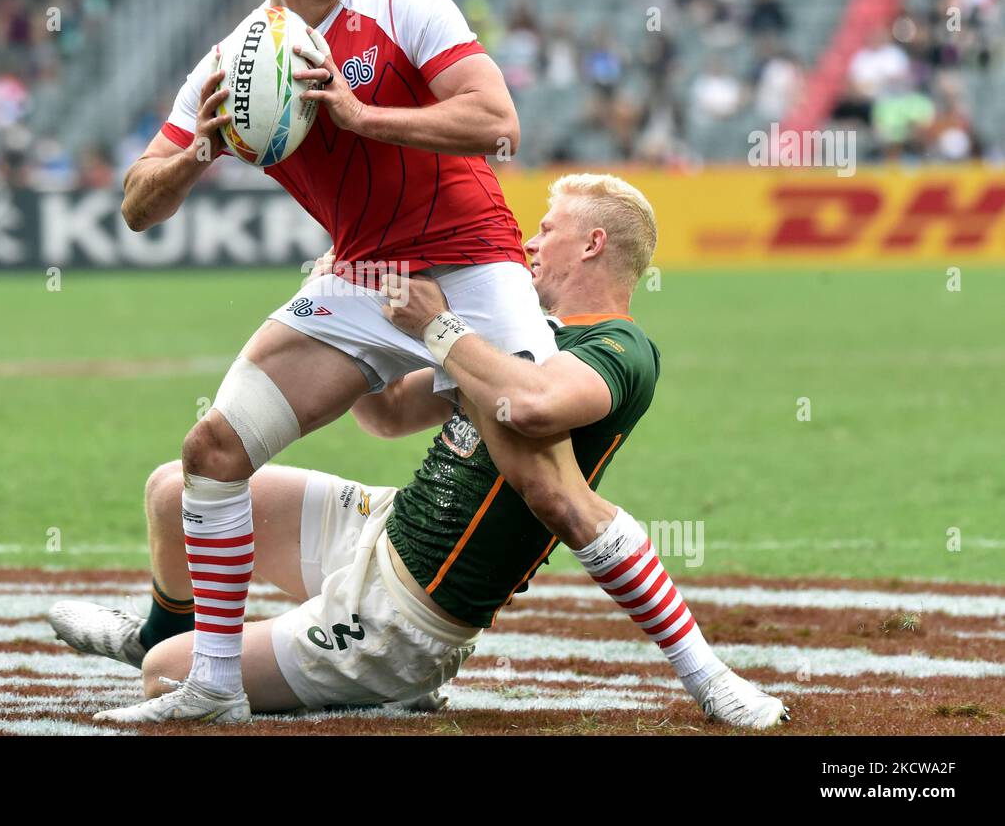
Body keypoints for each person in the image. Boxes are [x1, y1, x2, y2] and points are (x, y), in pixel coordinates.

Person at [52, 174, 788, 730]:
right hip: (386, 524)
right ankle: (164, 624)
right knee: (174, 489)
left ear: (593, 244)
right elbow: (386, 413)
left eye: (548, 227)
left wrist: (440, 329)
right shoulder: (508, 326)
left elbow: (533, 402)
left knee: (162, 678)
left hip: (410, 618)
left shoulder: (618, 346)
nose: (529, 242)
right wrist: (347, 306)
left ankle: (383, 684)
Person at [115, 0, 578, 724]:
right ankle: (213, 682)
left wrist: (366, 119)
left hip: (473, 260)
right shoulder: (232, 63)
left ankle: (696, 664)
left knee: (544, 467)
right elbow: (138, 205)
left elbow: (497, 121)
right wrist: (194, 153)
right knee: (211, 452)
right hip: (364, 274)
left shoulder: (404, 2)